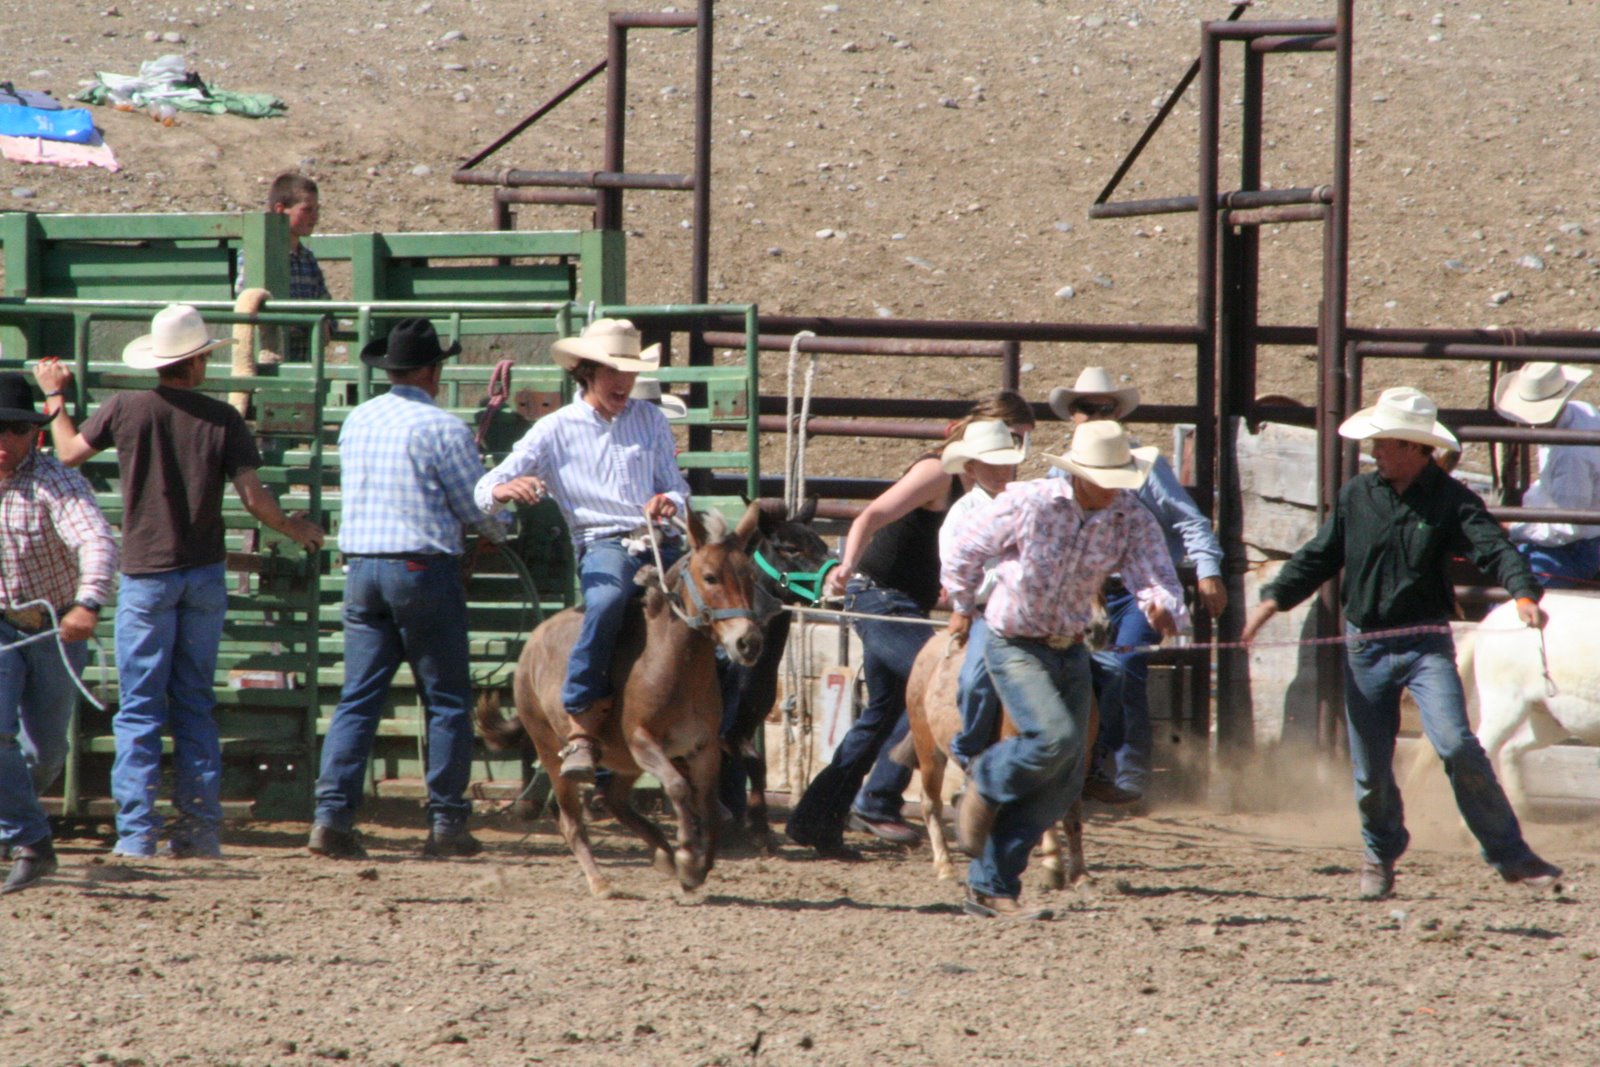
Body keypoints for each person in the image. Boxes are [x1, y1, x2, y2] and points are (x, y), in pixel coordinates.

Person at [1241, 386, 1563, 900]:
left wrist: (1523, 593)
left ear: (1416, 449)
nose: (1374, 451)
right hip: (1365, 645)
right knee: (1370, 770)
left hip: (1424, 645)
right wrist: (1271, 600)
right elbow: (1321, 554)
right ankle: (1379, 854)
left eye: (1385, 443)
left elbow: (1495, 549)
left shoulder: (1453, 502)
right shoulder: (1357, 496)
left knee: (1457, 744)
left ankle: (1511, 854)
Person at [34, 305, 325, 858]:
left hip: (146, 573)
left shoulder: (125, 408)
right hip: (203, 575)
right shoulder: (222, 420)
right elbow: (254, 499)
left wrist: (55, 399)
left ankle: (137, 835)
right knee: (193, 704)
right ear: (196, 363)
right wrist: (294, 527)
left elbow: (68, 454)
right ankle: (198, 831)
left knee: (140, 708)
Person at [945, 421, 1187, 919]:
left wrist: (1161, 606)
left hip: (1070, 647)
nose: (1111, 486)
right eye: (1103, 475)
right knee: (1053, 738)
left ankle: (991, 886)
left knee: (1063, 781)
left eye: (1117, 476)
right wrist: (964, 600)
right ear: (1077, 475)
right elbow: (966, 547)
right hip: (1014, 641)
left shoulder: (1128, 517)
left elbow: (1156, 573)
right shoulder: (1029, 501)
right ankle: (986, 774)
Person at [784, 391, 1034, 858]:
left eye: (1023, 443)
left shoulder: (982, 487)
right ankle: (883, 800)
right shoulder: (939, 470)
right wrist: (846, 565)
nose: (1017, 454)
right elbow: (873, 515)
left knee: (882, 714)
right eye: (1014, 437)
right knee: (942, 682)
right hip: (879, 596)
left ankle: (815, 818)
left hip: (907, 603)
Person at [310, 318, 500, 860]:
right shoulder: (443, 428)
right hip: (420, 570)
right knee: (444, 699)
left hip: (362, 570)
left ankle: (331, 819)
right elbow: (475, 506)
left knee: (358, 698)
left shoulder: (357, 421)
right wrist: (503, 528)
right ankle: (445, 824)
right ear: (431, 371)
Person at [475, 319, 689, 782]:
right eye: (615, 371)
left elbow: (678, 488)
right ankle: (581, 724)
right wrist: (507, 487)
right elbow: (485, 488)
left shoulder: (650, 419)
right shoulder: (553, 430)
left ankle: (723, 720)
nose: (625, 383)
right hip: (603, 543)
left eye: (630, 372)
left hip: (660, 538)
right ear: (587, 371)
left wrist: (669, 500)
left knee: (718, 600)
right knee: (608, 600)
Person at [1046, 366, 1226, 805]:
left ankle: (1126, 773)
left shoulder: (1145, 464)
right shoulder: (1056, 478)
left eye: (1105, 408)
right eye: (1088, 408)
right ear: (1074, 415)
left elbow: (1189, 520)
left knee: (1123, 670)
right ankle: (1084, 768)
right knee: (1072, 672)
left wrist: (1207, 570)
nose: (1097, 414)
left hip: (1133, 590)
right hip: (1081, 594)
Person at [0, 374, 117, 892]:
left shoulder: (56, 481)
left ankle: (18, 826)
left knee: (43, 754)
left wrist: (88, 601)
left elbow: (95, 538)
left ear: (34, 436)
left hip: (54, 629)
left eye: (14, 431)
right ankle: (32, 841)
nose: (4, 442)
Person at [938, 421, 1027, 771]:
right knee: (977, 678)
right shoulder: (960, 517)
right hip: (986, 613)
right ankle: (970, 753)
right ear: (971, 469)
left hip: (1037, 611)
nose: (1002, 470)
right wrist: (1011, 576)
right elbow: (959, 578)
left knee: (1101, 669)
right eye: (992, 464)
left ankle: (1090, 759)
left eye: (1007, 461)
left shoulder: (1029, 503)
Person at [1492, 361, 1600, 588]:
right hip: (1574, 530)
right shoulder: (1582, 411)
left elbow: (1568, 528)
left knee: (1523, 588)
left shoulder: (1570, 455)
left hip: (1580, 544)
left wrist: (1513, 528)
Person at [235, 170, 331, 362]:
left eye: (317, 209)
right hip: (267, 364)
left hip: (305, 365)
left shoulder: (307, 259)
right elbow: (245, 301)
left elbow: (325, 307)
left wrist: (325, 323)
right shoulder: (255, 257)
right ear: (280, 210)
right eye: (307, 210)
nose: (315, 217)